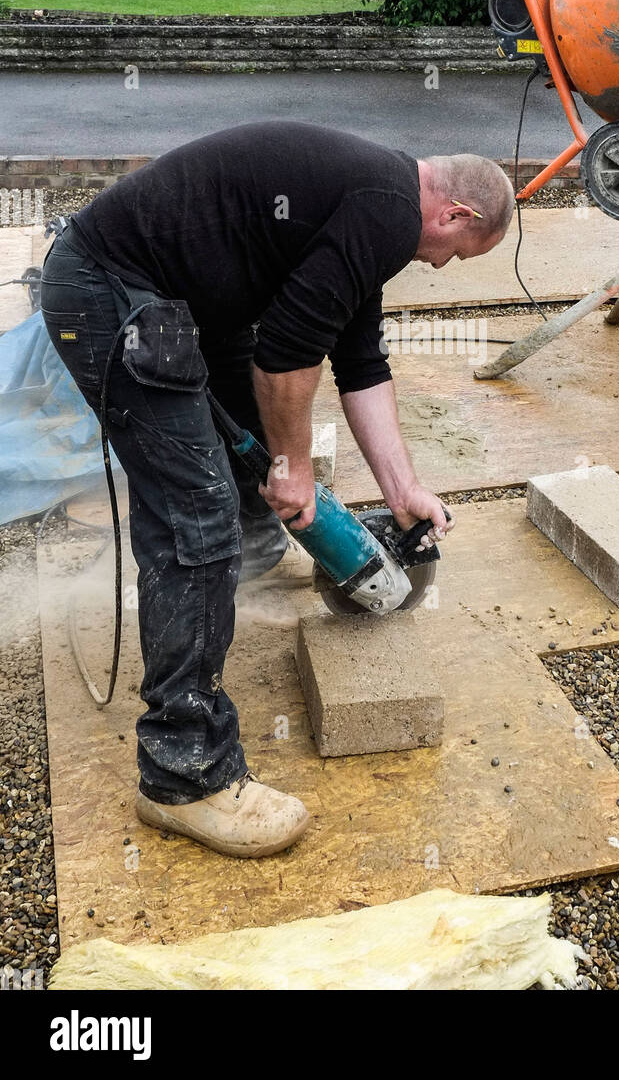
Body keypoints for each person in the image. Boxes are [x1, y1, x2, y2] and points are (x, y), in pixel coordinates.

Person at [41, 121, 514, 858]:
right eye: (457, 252)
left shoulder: (376, 200)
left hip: (173, 299)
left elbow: (359, 363)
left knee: (244, 451)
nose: (444, 264)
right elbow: (288, 358)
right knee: (196, 511)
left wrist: (404, 490)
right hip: (110, 294)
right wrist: (294, 469)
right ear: (458, 214)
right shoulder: (387, 210)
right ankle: (184, 773)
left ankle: (250, 557)